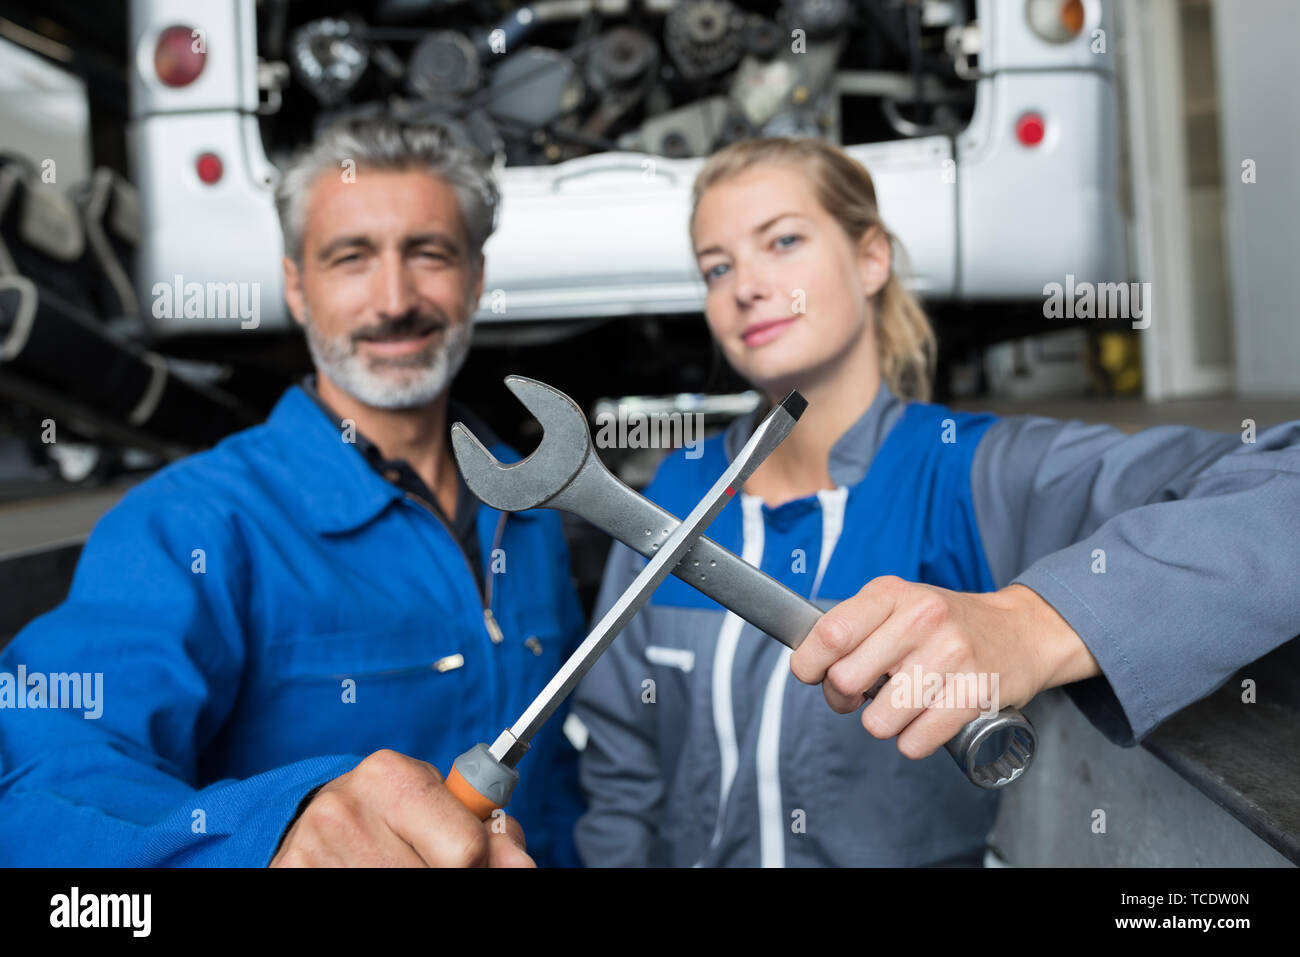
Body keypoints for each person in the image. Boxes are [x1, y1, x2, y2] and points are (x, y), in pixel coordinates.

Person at [570, 136, 1300, 867]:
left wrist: (1033, 621)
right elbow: (622, 761)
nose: (746, 286)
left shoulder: (974, 470)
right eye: (717, 267)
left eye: (783, 241)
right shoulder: (678, 487)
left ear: (871, 258)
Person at [0, 117, 586, 867]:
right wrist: (268, 837)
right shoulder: (191, 525)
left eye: (429, 254)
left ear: (475, 280)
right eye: (351, 258)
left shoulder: (532, 510)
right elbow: (46, 790)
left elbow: (556, 785)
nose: (395, 297)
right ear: (296, 287)